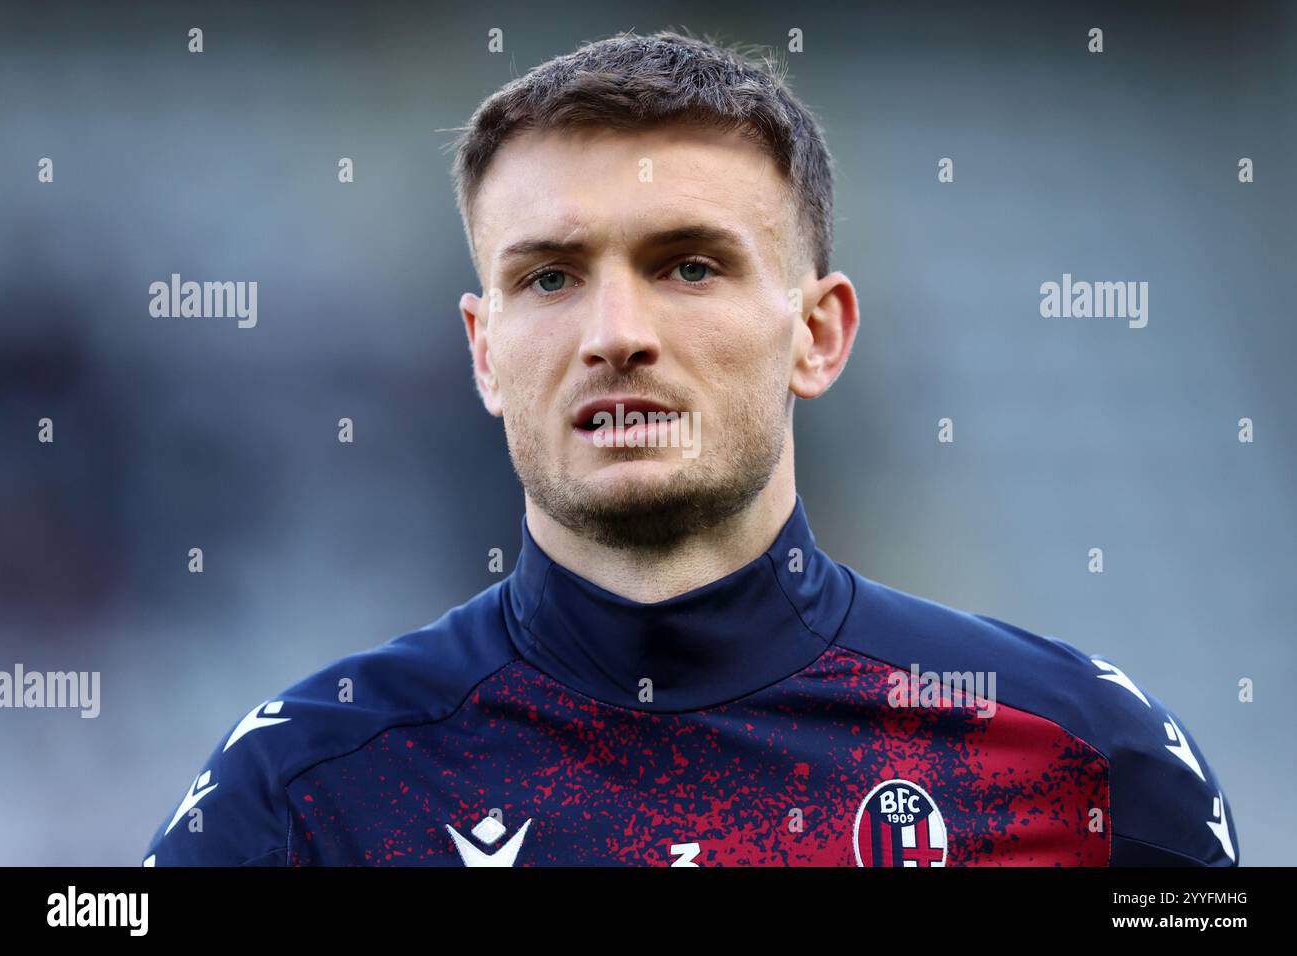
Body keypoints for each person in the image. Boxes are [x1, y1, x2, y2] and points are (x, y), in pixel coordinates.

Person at [143, 30, 1237, 867]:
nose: (616, 334)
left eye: (689, 265)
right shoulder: (301, 794)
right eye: (550, 277)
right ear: (484, 352)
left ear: (817, 332)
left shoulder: (1083, 767)